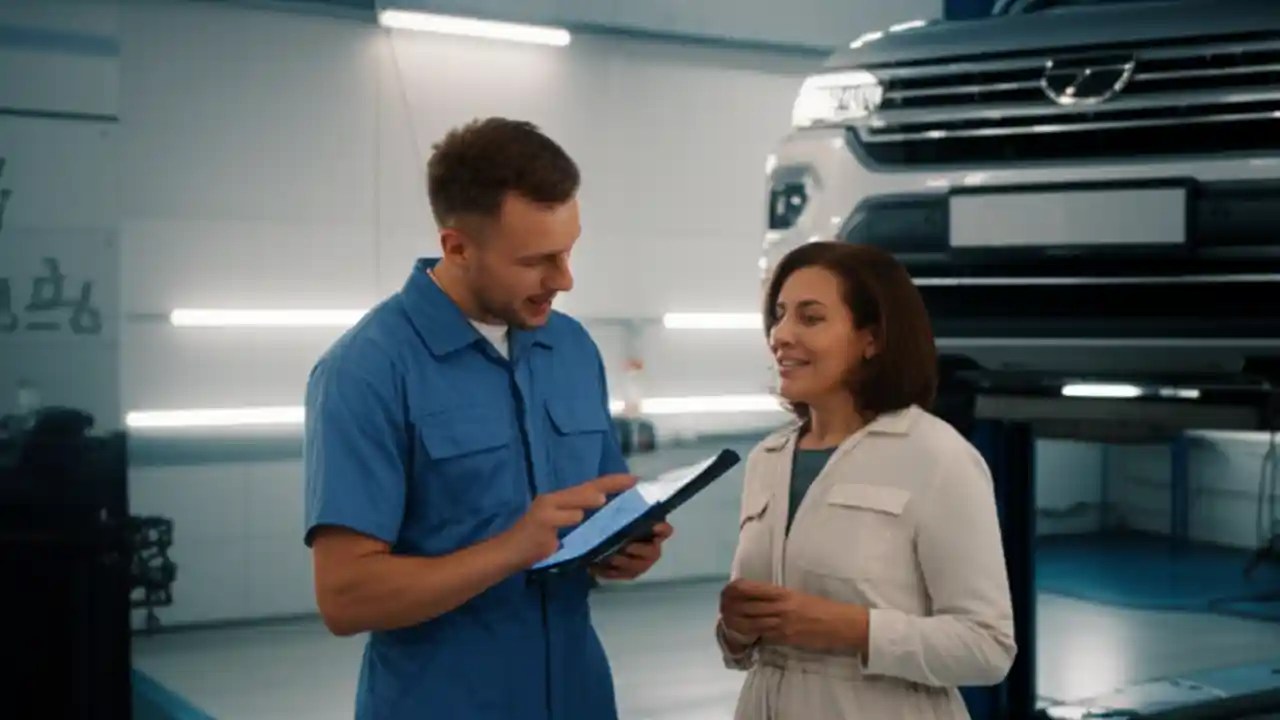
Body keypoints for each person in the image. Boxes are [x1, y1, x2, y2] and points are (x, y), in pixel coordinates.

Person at [303, 117, 673, 720]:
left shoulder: (572, 349)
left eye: (570, 250)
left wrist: (620, 550)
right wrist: (512, 549)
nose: (564, 280)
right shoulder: (365, 371)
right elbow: (345, 598)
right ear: (457, 247)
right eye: (536, 261)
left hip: (579, 697)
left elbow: (596, 515)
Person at [715, 241, 1016, 719]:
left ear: (871, 339)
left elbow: (988, 647)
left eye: (810, 318)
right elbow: (747, 645)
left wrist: (854, 628)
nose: (781, 335)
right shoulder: (767, 460)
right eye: (779, 314)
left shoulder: (936, 457)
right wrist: (733, 629)